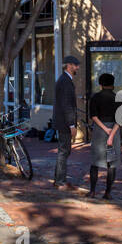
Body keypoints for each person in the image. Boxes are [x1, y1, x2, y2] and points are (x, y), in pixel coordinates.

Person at [86, 73, 120, 199]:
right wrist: (111, 132)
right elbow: (121, 119)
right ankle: (108, 193)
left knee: (95, 161)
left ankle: (92, 191)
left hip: (100, 131)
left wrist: (105, 128)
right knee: (112, 163)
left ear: (101, 84)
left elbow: (94, 116)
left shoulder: (95, 97)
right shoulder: (118, 98)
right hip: (114, 131)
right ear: (113, 84)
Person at [52, 54, 80, 189]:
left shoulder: (64, 80)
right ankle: (60, 181)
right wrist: (72, 125)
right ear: (69, 66)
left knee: (64, 151)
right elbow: (66, 105)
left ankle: (59, 179)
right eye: (75, 66)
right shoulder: (65, 81)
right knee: (64, 151)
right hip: (64, 123)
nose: (77, 68)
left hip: (63, 122)